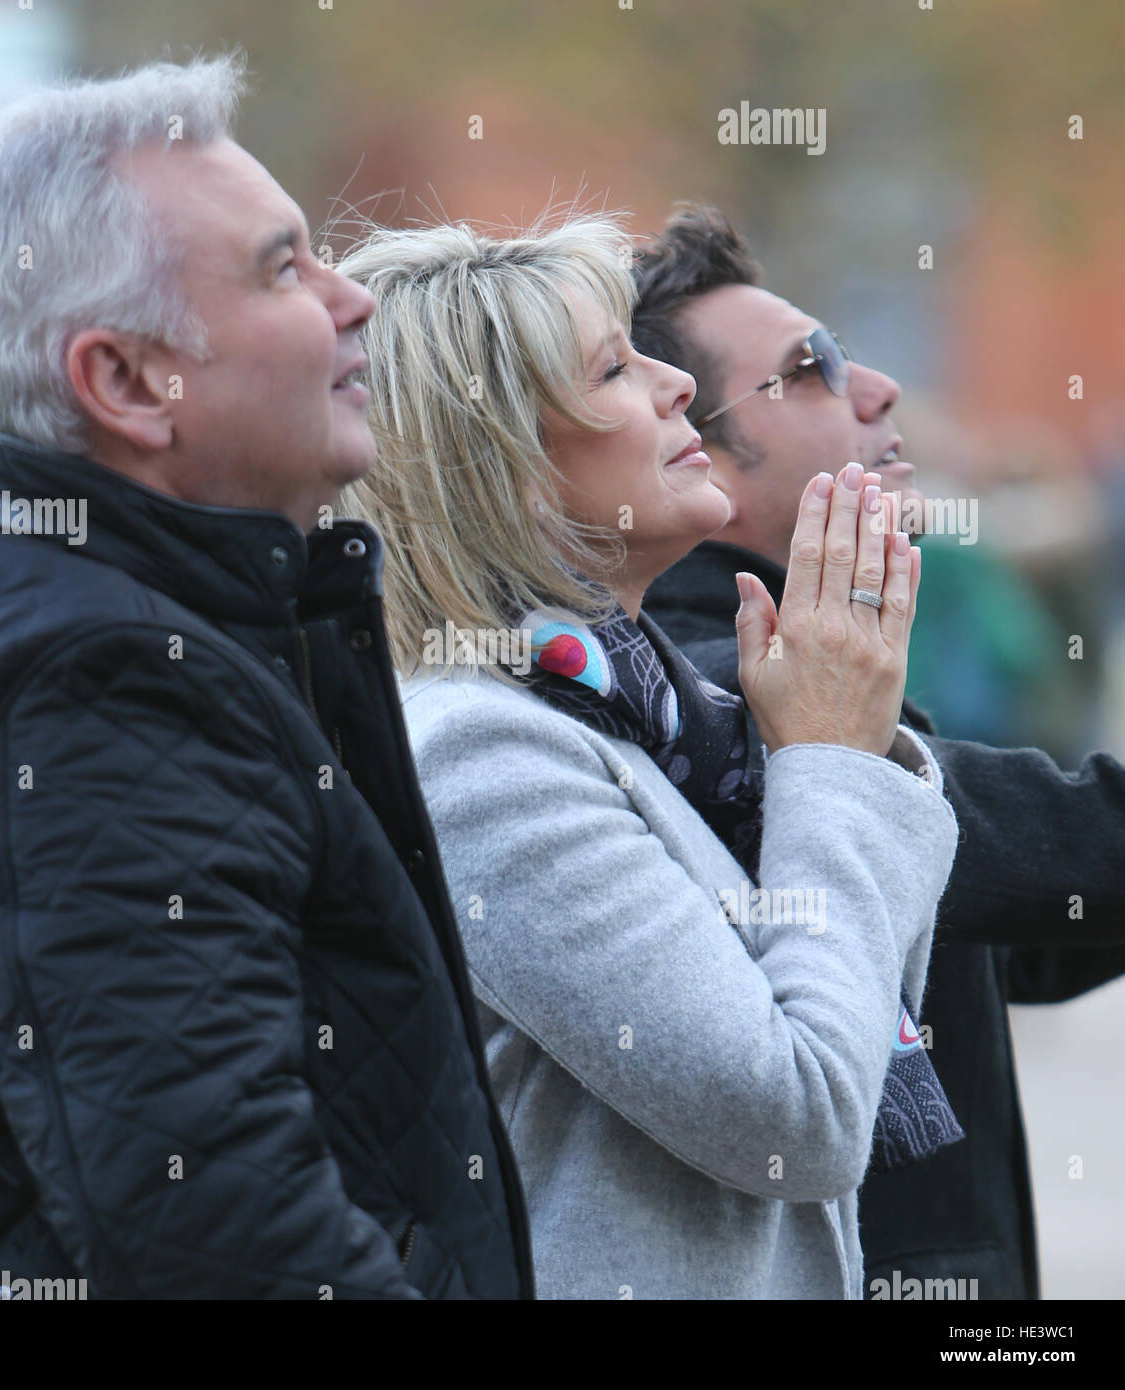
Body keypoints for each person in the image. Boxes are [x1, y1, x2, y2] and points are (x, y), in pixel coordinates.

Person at [0, 55, 533, 1300]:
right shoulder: (100, 679)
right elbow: (222, 1235)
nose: (351, 300)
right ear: (123, 382)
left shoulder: (36, 604)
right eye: (284, 267)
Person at [340, 213, 961, 1299]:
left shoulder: (665, 719)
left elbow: (855, 1016)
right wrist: (829, 761)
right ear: (504, 466)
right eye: (616, 368)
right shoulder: (480, 751)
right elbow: (799, 1116)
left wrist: (835, 749)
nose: (675, 384)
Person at [632, 202, 1125, 1299]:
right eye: (813, 368)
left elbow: (1023, 936)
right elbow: (1055, 846)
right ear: (684, 440)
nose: (878, 388)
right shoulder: (711, 690)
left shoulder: (794, 651)